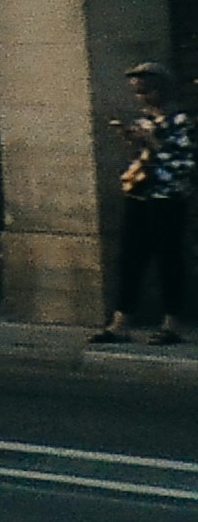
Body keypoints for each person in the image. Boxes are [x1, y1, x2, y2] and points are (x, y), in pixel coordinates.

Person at [101, 60, 192, 345]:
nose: (142, 98)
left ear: (162, 89)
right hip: (140, 194)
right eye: (138, 93)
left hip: (168, 197)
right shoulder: (145, 119)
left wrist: (152, 143)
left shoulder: (181, 121)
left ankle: (173, 324)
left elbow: (183, 164)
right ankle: (120, 323)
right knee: (130, 258)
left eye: (147, 91)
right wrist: (135, 141)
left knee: (168, 258)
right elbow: (144, 159)